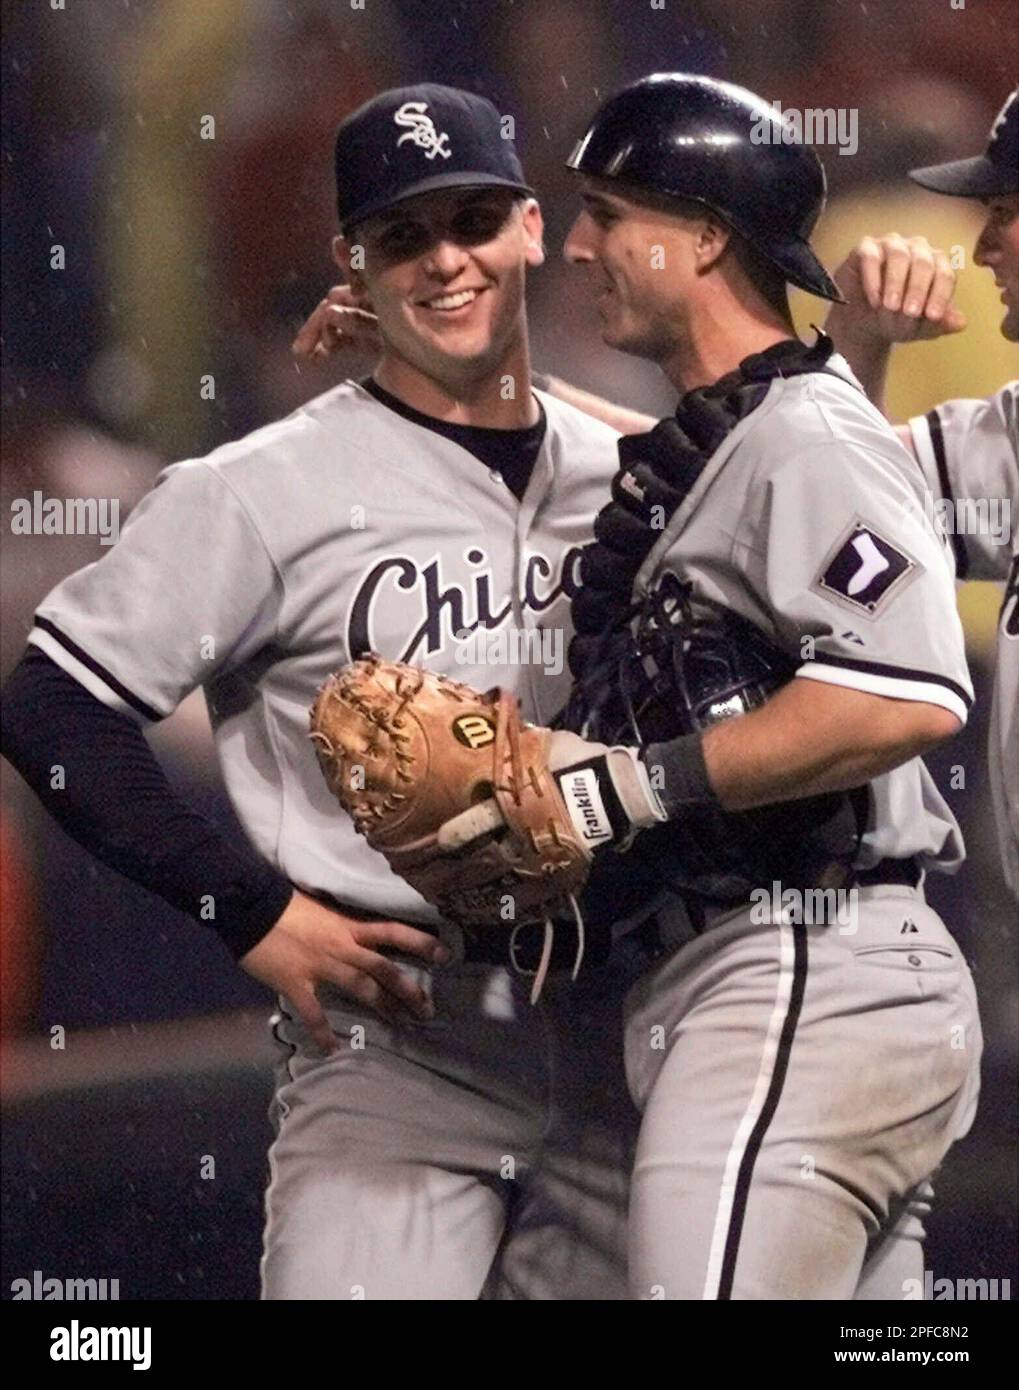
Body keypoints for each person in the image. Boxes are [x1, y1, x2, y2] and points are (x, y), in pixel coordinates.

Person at [0, 83, 643, 1301]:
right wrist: (250, 911)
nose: (443, 259)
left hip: (631, 1024)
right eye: (403, 237)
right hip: (400, 1038)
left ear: (529, 228)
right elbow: (52, 706)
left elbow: (825, 485)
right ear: (353, 264)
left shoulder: (635, 473)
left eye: (469, 220)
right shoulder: (258, 492)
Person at [542, 72, 981, 1300]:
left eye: (606, 214)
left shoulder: (804, 435)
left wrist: (624, 789)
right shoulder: (743, 432)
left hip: (801, 967)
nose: (576, 245)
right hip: (795, 980)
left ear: (701, 237)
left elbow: (904, 695)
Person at [822, 87, 1018, 901]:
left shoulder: (855, 231)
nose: (981, 249)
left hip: (932, 646)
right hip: (940, 646)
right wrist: (857, 334)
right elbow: (829, 498)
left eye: (1004, 212)